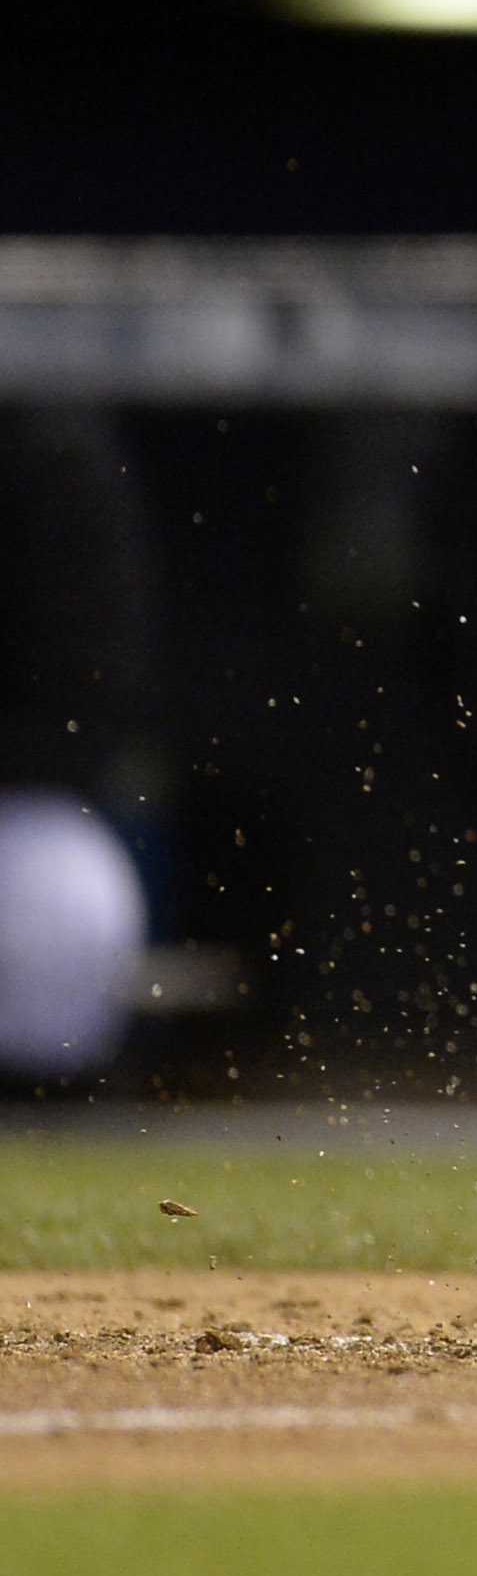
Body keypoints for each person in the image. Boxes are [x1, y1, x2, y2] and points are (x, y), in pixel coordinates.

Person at [0, 405, 158, 1091]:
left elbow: (85, 702)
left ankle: (45, 1105)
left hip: (16, 804)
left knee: (67, 898)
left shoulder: (46, 455)